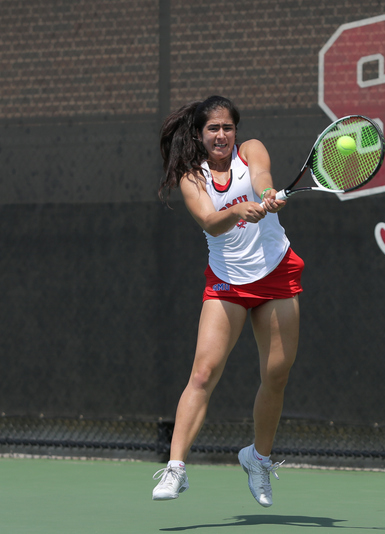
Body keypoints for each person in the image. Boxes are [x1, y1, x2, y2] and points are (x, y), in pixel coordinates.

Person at [151, 95, 303, 507]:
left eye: (227, 127)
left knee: (277, 375)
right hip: (227, 283)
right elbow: (208, 221)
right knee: (203, 372)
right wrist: (240, 211)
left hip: (275, 272)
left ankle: (258, 459)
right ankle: (176, 468)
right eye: (213, 128)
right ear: (200, 135)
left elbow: (262, 176)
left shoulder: (250, 149)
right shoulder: (191, 176)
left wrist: (268, 194)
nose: (222, 134)